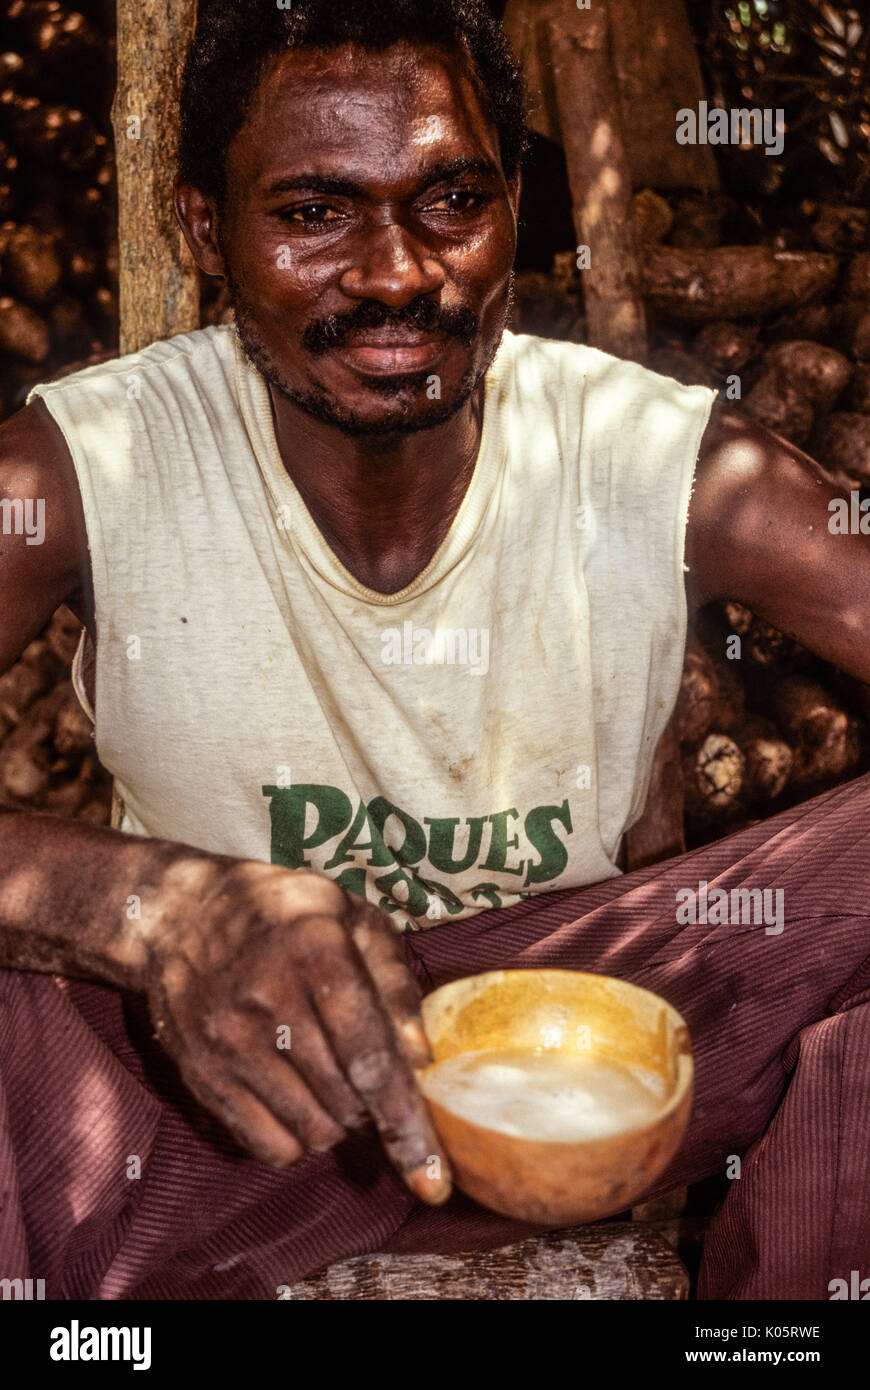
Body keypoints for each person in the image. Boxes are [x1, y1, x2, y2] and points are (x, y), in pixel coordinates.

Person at [0, 0, 867, 1300]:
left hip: (588, 1058)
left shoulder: (659, 460)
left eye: (448, 200)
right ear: (204, 229)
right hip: (203, 1093)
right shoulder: (90, 463)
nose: (397, 272)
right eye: (312, 214)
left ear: (512, 202)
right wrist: (153, 910)